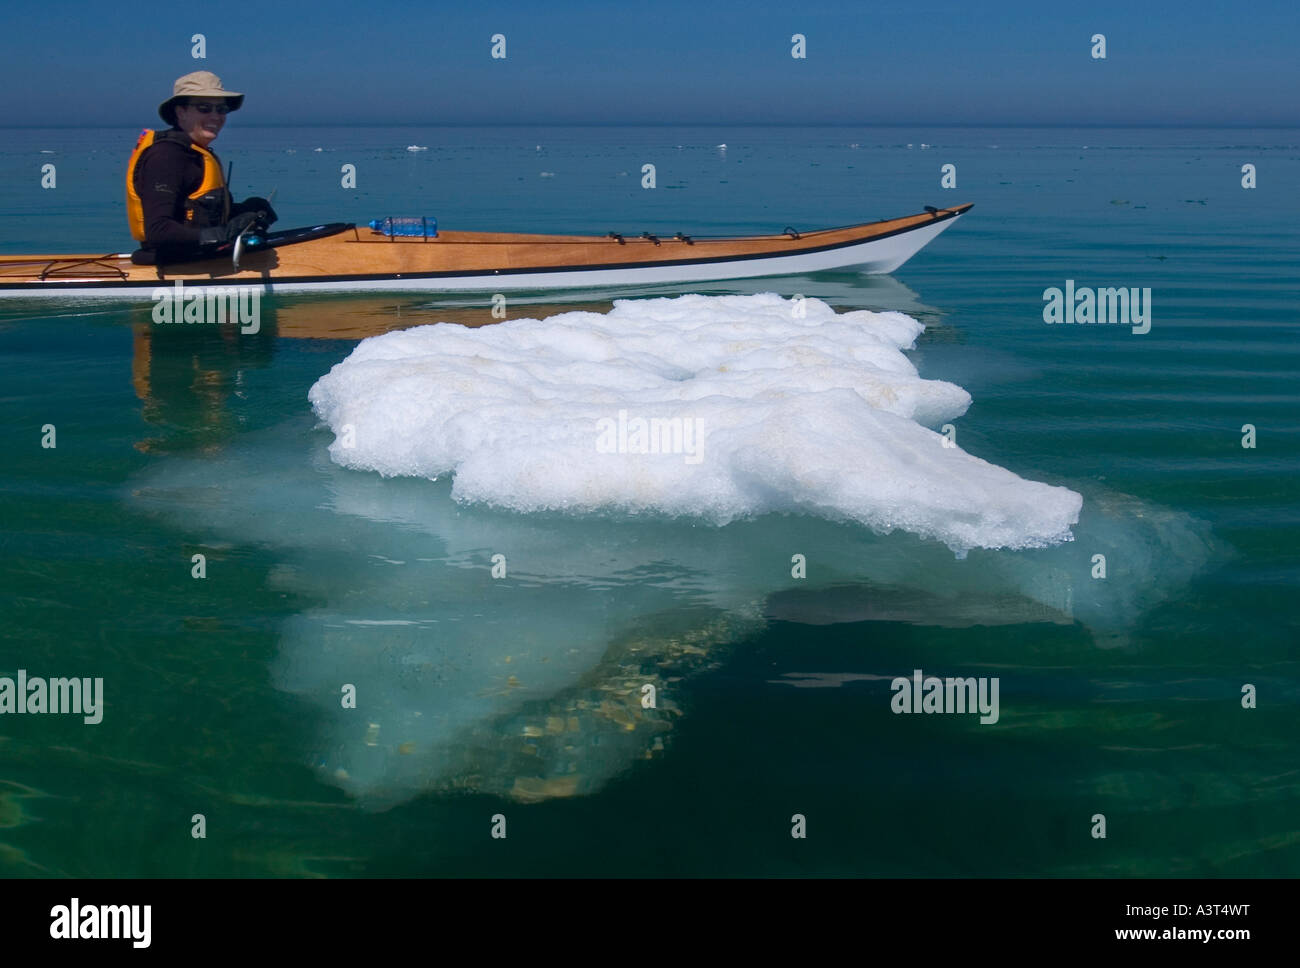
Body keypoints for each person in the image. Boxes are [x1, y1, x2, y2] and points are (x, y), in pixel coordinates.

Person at [126, 71, 277, 264]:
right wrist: (221, 235)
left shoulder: (195, 153)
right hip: (175, 267)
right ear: (180, 112)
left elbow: (198, 215)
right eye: (204, 108)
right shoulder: (166, 157)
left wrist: (245, 212)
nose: (215, 116)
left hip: (204, 257)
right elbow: (158, 231)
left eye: (221, 110)